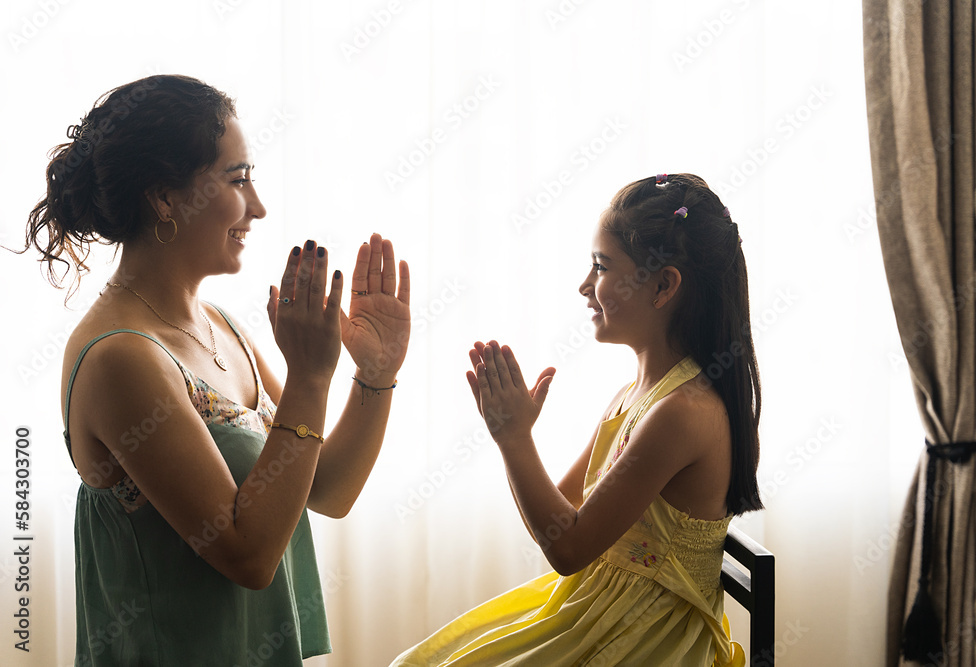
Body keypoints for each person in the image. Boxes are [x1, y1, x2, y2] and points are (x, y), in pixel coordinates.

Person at [24, 74, 411, 665]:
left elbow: (328, 489)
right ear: (165, 198)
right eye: (238, 179)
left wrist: (375, 376)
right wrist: (310, 378)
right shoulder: (121, 357)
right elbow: (247, 556)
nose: (257, 207)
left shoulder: (222, 326)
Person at [391, 173, 759, 666]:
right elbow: (563, 510)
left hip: (647, 641)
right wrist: (514, 434)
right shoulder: (635, 394)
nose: (585, 286)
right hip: (598, 616)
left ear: (663, 285)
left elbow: (567, 551)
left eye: (601, 267)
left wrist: (513, 438)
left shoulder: (683, 413)